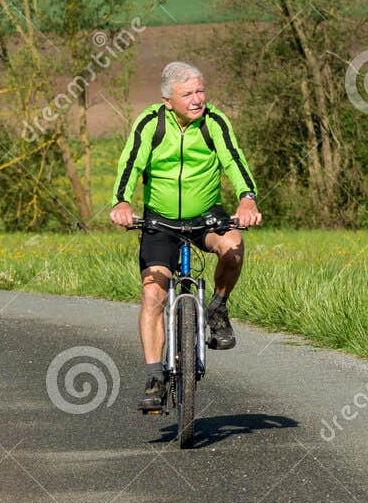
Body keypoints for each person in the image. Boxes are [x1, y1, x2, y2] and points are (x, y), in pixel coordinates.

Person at [109, 61, 262, 411]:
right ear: (167, 101)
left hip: (206, 216)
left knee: (234, 247)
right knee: (153, 294)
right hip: (160, 220)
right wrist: (121, 201)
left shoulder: (214, 122)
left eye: (200, 91)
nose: (197, 99)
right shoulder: (151, 123)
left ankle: (218, 307)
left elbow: (234, 160)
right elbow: (131, 163)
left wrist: (247, 198)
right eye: (188, 94)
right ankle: (154, 377)